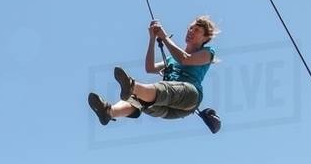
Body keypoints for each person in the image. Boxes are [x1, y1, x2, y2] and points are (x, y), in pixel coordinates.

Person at [88, 16, 219, 123]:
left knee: (161, 89)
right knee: (139, 99)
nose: (191, 31)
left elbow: (185, 59)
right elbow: (150, 68)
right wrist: (152, 39)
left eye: (196, 30)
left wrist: (165, 38)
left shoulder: (208, 53)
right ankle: (109, 112)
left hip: (189, 97)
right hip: (165, 107)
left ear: (206, 38)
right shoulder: (171, 59)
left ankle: (132, 86)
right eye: (190, 28)